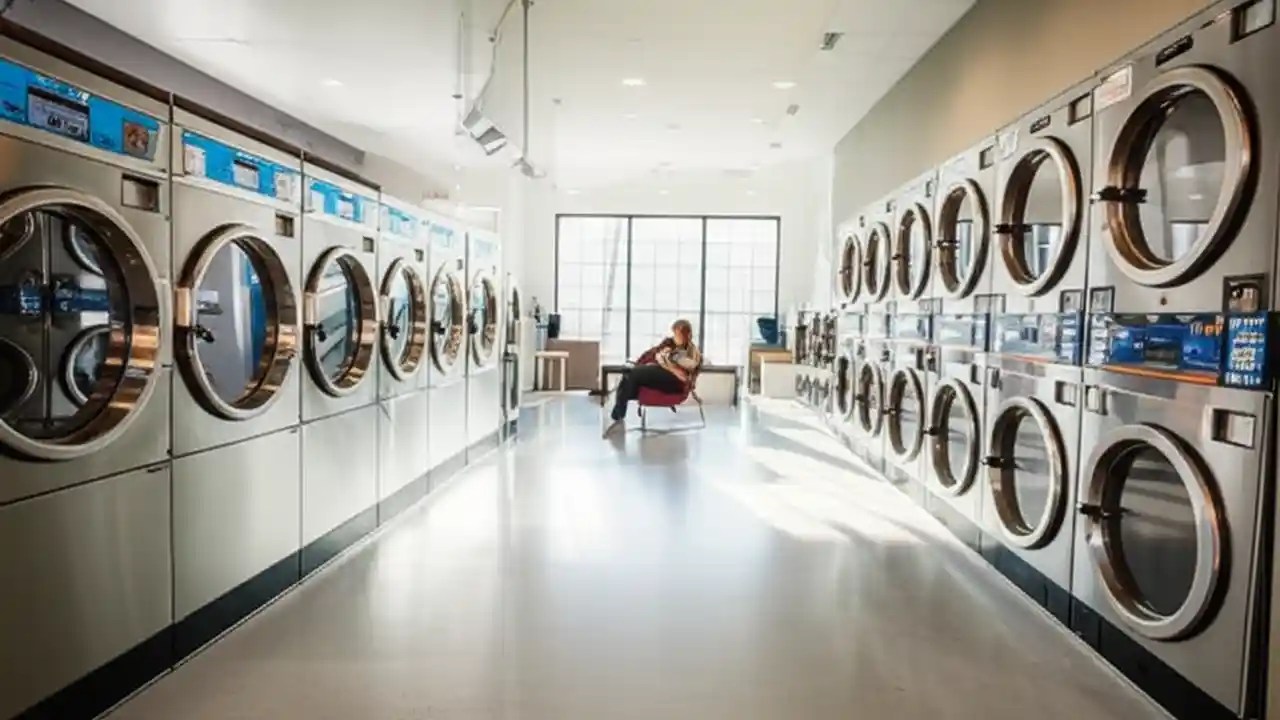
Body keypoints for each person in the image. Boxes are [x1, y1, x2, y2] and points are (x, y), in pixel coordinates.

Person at [603, 319, 702, 438]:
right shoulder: (670, 344)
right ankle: (618, 414)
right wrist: (662, 360)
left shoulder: (691, 352)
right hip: (663, 373)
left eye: (679, 334)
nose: (676, 337)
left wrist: (666, 363)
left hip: (675, 382)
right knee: (629, 375)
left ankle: (618, 414)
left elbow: (684, 374)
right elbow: (657, 355)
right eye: (675, 334)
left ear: (688, 335)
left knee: (633, 374)